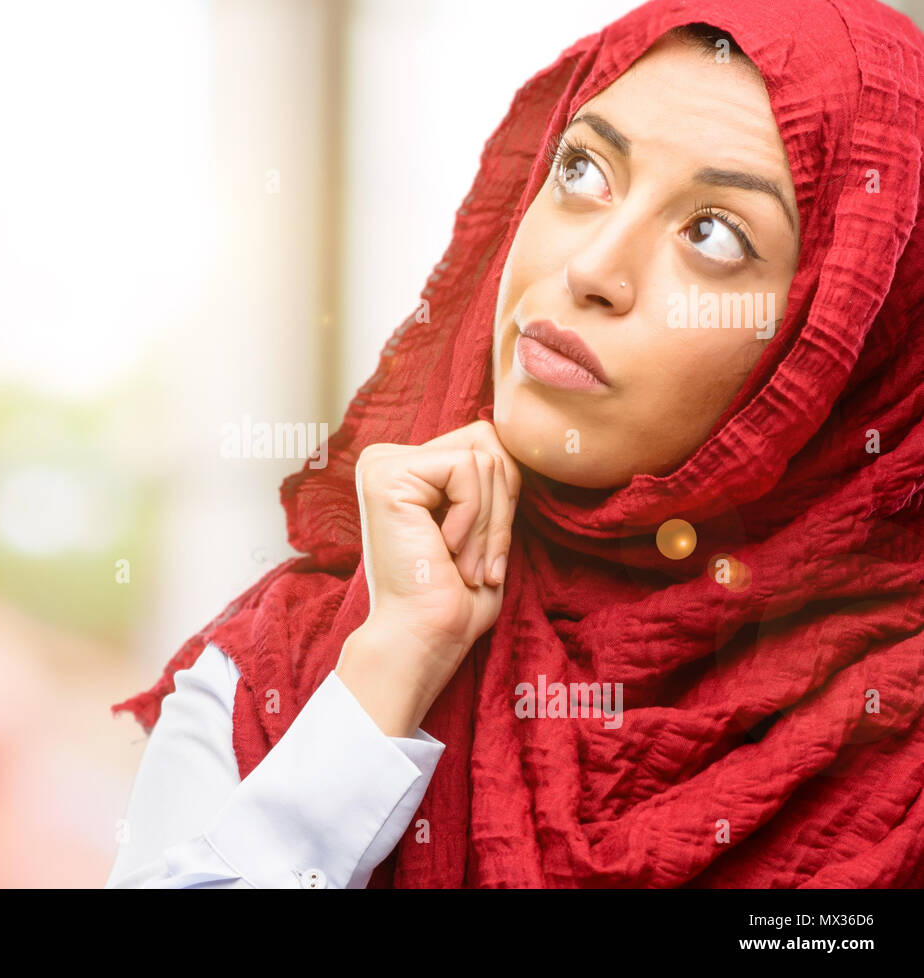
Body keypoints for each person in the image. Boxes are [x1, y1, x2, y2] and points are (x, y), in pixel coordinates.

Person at [108, 0, 924, 888]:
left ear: (850, 347)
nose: (592, 269)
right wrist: (388, 674)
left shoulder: (899, 752)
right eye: (584, 169)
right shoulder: (288, 673)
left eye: (713, 234)